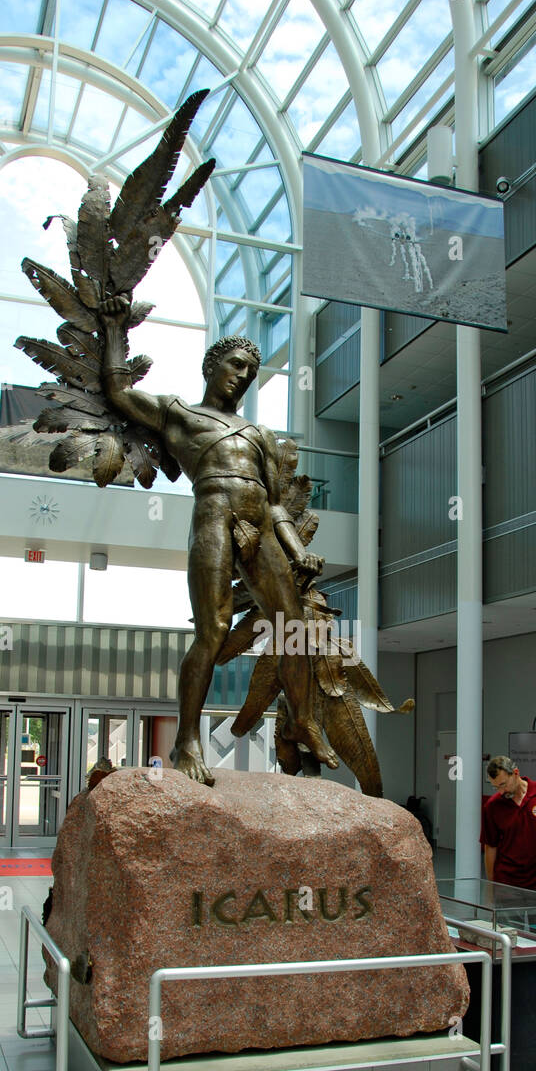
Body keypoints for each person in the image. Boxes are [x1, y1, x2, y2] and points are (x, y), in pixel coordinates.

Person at [100, 304, 335, 785]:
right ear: (212, 367)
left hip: (261, 527)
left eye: (251, 372)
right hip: (213, 517)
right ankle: (187, 738)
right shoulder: (179, 414)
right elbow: (119, 391)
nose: (244, 377)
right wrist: (110, 327)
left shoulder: (259, 434)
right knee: (213, 630)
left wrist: (296, 551)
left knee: (293, 627)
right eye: (236, 366)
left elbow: (274, 505)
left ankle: (302, 718)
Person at [481, 755, 536, 890]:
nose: (501, 791)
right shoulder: (492, 806)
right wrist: (491, 885)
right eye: (496, 787)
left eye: (503, 784)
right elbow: (490, 846)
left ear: (515, 773)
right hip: (506, 882)